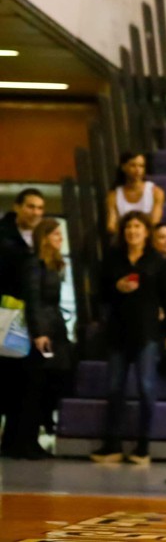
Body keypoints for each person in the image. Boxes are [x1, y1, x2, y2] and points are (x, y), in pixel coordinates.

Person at [88, 213, 166, 466]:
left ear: (146, 232)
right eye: (128, 227)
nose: (132, 231)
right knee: (114, 388)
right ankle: (112, 444)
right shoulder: (112, 258)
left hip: (146, 332)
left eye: (137, 226)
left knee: (147, 389)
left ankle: (143, 445)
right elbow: (100, 294)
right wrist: (118, 288)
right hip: (117, 331)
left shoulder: (157, 261)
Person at [20, 218, 72, 459]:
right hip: (43, 329)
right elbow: (33, 299)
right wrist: (39, 332)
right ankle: (27, 440)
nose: (60, 239)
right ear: (45, 237)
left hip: (56, 327)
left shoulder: (54, 264)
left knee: (52, 380)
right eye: (56, 235)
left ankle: (39, 430)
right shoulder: (35, 264)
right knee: (35, 385)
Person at [0, 188, 45, 457]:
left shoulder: (38, 238)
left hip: (25, 317)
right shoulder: (6, 238)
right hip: (9, 315)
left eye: (40, 208)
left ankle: (18, 439)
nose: (36, 212)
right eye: (30, 206)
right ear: (18, 207)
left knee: (24, 380)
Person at [105, 152, 164, 237]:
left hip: (148, 238)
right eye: (133, 165)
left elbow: (155, 222)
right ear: (123, 167)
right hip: (124, 238)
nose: (138, 170)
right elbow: (111, 225)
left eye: (141, 166)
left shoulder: (155, 192)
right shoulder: (113, 195)